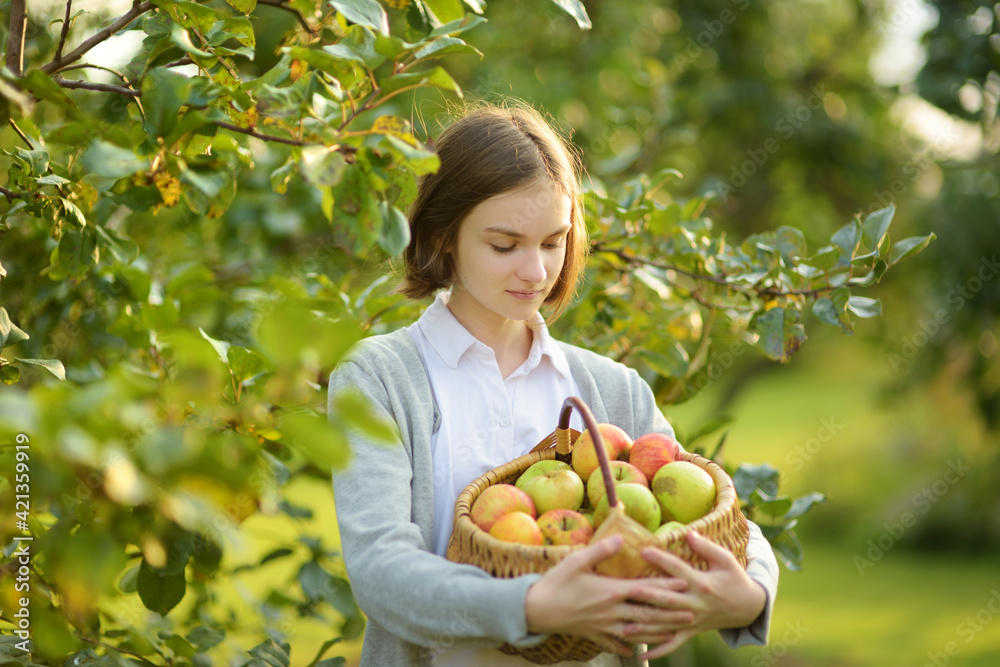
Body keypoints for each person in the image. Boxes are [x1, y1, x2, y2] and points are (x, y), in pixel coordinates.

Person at [328, 102, 779, 667]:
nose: (537, 272)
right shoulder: (379, 379)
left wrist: (752, 594)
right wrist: (534, 606)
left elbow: (720, 516)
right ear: (444, 236)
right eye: (504, 245)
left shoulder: (611, 391)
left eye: (553, 242)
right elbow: (380, 571)